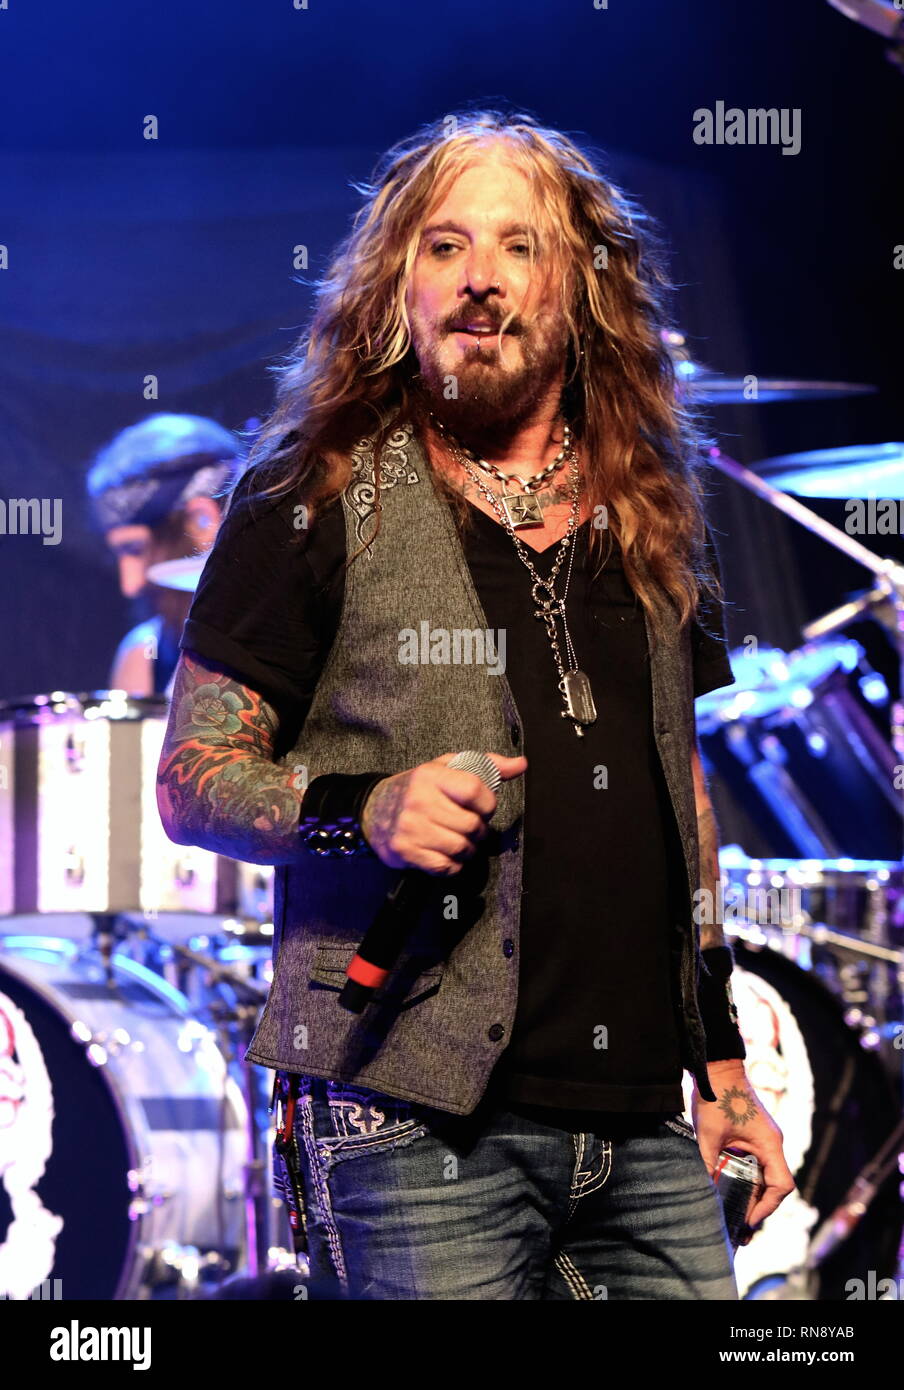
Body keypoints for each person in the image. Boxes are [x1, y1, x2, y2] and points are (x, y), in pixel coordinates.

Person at [156, 109, 795, 1300]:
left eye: (518, 247)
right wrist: (366, 807)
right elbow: (190, 784)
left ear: (580, 286)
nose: (480, 281)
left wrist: (719, 1060)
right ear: (395, 282)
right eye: (444, 247)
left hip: (642, 1117)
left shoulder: (652, 505)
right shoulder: (309, 489)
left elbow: (678, 791)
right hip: (406, 1113)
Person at [86, 413, 243, 697]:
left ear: (202, 521)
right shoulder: (144, 651)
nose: (129, 585)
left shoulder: (288, 630)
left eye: (135, 550)